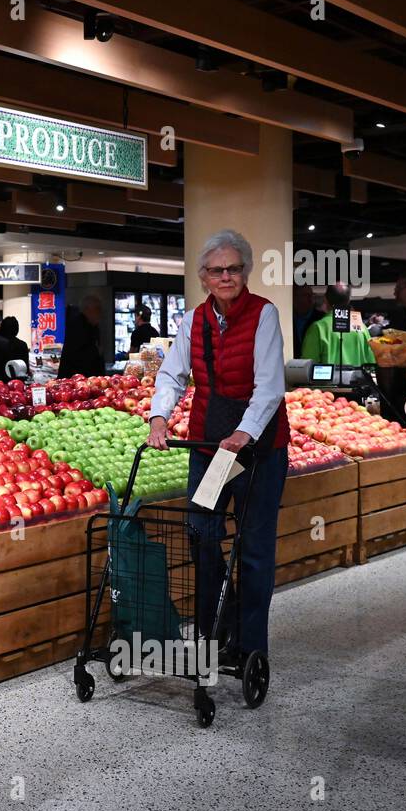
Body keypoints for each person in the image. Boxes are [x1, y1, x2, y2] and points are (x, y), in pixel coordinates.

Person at [148, 229, 288, 662]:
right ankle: (212, 633)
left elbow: (270, 386)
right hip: (212, 449)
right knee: (201, 536)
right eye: (216, 270)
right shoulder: (192, 321)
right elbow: (172, 375)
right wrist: (158, 418)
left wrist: (244, 433)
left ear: (244, 272)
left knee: (254, 547)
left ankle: (250, 648)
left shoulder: (264, 315)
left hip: (259, 451)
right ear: (204, 277)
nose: (226, 276)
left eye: (233, 268)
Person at [300, 282, 375, 367]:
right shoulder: (362, 327)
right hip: (358, 379)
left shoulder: (318, 328)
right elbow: (371, 363)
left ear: (325, 299)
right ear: (348, 300)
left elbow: (306, 366)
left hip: (328, 380)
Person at [58, 296, 105, 378]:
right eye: (97, 309)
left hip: (88, 378)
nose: (100, 313)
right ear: (87, 310)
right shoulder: (78, 326)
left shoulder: (92, 326)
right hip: (77, 379)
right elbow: (79, 357)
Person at [292, 282, 325, 355]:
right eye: (306, 295)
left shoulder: (321, 318)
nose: (310, 299)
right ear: (294, 297)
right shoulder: (287, 318)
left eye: (312, 296)